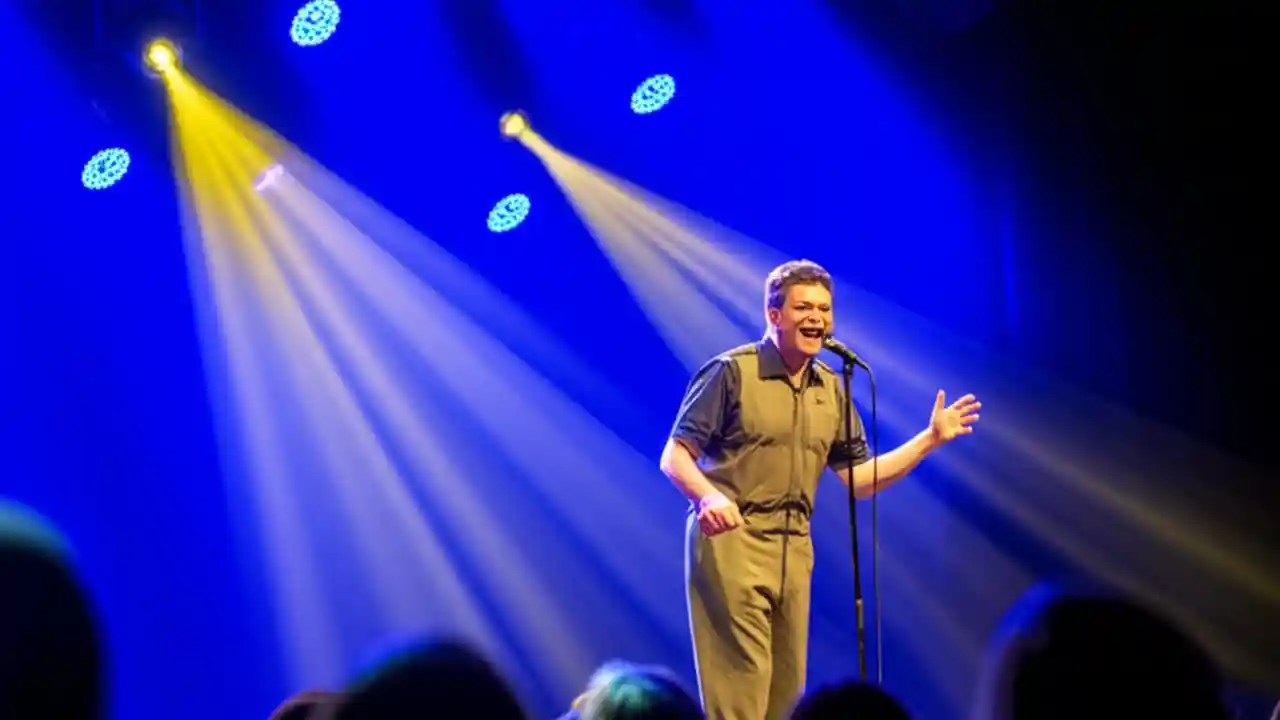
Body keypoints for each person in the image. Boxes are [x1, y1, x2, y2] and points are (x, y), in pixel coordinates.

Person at [658, 259, 980, 719]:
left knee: (788, 696)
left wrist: (929, 439)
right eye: (804, 307)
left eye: (824, 309)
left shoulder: (831, 387)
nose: (817, 318)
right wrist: (707, 495)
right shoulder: (732, 372)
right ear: (774, 314)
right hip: (733, 541)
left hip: (795, 547)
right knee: (741, 689)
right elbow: (674, 455)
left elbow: (860, 479)